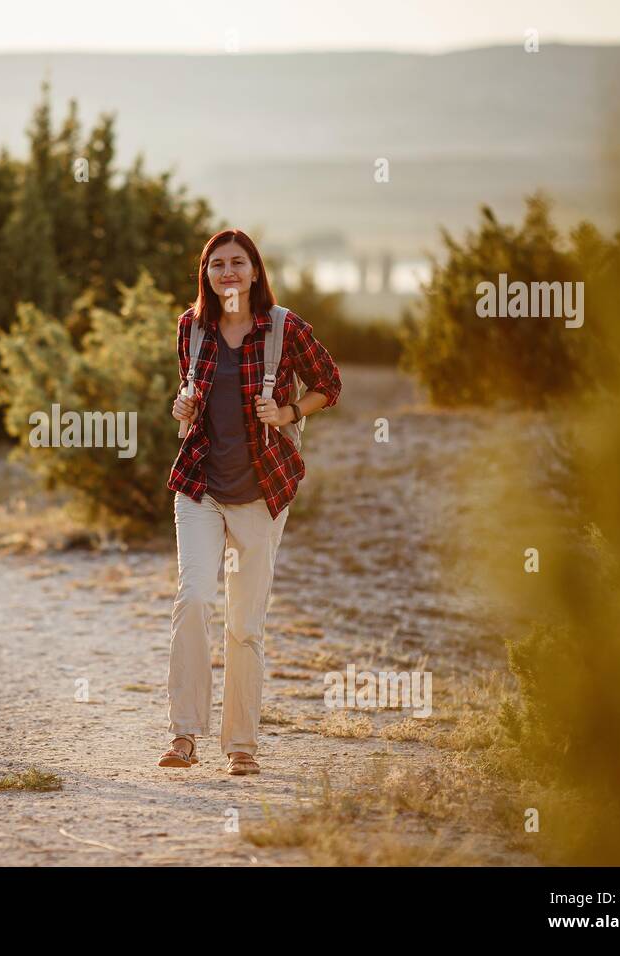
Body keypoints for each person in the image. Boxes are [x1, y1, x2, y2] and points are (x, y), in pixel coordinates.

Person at [162, 229, 342, 775]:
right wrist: (182, 407)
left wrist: (288, 414)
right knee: (193, 599)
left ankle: (242, 743)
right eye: (217, 264)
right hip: (200, 487)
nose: (228, 272)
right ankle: (184, 735)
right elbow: (189, 393)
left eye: (238, 262)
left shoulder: (285, 328)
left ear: (256, 271)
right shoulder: (191, 327)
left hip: (262, 494)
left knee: (245, 622)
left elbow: (328, 384)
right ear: (206, 274)